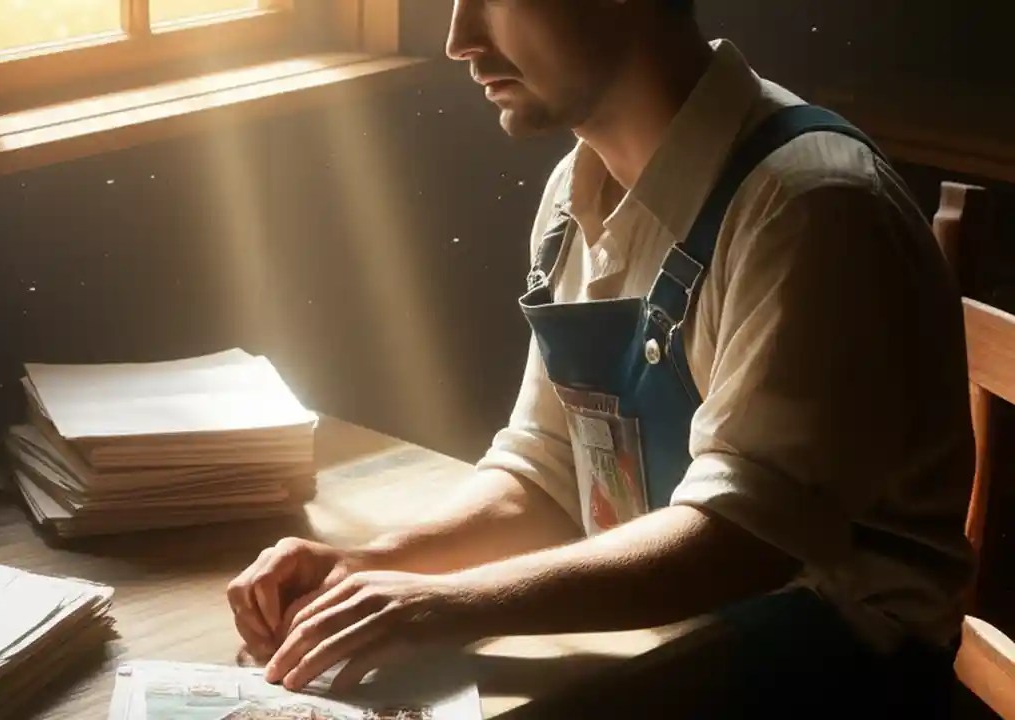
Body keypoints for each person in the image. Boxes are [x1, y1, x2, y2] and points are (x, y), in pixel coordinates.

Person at [228, 0, 976, 715]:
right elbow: (549, 468)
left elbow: (743, 540)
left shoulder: (811, 205)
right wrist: (379, 564)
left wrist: (441, 604)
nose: (458, 38)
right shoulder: (572, 193)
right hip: (675, 642)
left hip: (837, 681)